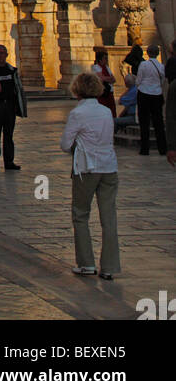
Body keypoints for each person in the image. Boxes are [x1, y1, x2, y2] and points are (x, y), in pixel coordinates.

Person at [59, 71, 120, 279]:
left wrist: (78, 147)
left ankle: (87, 263)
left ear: (77, 90)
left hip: (86, 169)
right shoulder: (105, 112)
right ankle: (110, 266)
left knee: (81, 214)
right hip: (109, 167)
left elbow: (65, 144)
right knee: (109, 217)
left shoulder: (78, 113)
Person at [0, 45, 26, 171]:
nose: (1, 55)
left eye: (3, 53)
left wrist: (20, 106)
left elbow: (18, 88)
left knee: (9, 135)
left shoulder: (12, 70)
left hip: (9, 106)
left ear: (7, 54)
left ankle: (9, 161)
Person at [135, 44, 167, 156]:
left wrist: (140, 86)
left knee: (144, 122)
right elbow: (163, 80)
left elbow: (138, 79)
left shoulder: (143, 65)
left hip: (144, 93)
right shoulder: (161, 66)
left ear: (148, 53)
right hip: (157, 94)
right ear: (157, 53)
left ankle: (145, 149)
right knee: (158, 122)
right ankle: (162, 148)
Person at [91, 48, 117, 117]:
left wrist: (107, 79)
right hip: (102, 93)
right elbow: (102, 79)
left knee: (112, 111)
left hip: (109, 91)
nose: (106, 60)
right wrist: (108, 79)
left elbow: (113, 79)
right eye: (105, 58)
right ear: (100, 59)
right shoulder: (96, 67)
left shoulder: (107, 67)